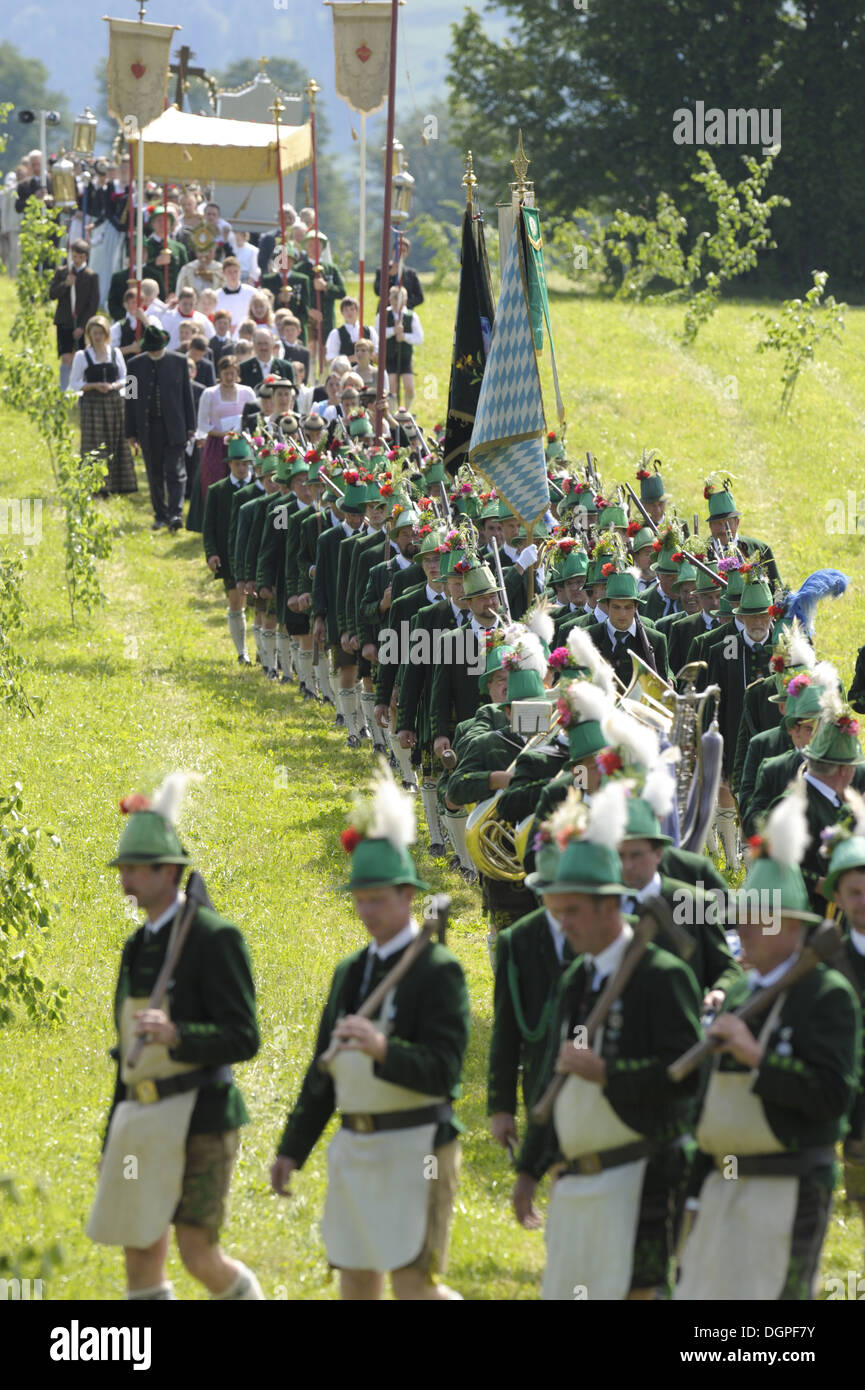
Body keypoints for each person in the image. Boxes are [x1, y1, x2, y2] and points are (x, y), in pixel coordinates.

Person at [271, 763, 469, 1301]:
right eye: (359, 899)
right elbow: (323, 1073)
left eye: (377, 899)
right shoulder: (349, 972)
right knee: (356, 1288)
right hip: (356, 1148)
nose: (366, 911)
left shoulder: (437, 971)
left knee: (414, 1290)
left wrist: (384, 1049)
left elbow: (445, 1072)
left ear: (408, 895)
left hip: (418, 1144)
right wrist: (292, 1149)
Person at [513, 783, 704, 1300]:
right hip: (577, 1187)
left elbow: (688, 1081)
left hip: (642, 1178)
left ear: (606, 907)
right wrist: (530, 1167)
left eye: (572, 910)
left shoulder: (662, 977)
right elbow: (562, 1076)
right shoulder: (578, 980)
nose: (562, 923)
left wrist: (609, 1073)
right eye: (557, 910)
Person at [674, 785, 860, 1300]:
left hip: (790, 1186)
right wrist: (692, 1196)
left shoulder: (827, 996)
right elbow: (706, 1108)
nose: (744, 927)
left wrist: (755, 1056)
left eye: (759, 917)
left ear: (794, 927)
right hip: (719, 1187)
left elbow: (830, 1097)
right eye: (743, 915)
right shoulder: (733, 991)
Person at [86, 773, 263, 1300]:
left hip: (202, 1117)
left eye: (135, 868)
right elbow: (128, 1059)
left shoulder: (216, 938)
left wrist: (178, 1034)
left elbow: (243, 1037)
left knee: (197, 1254)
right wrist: (110, 1137)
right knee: (140, 1252)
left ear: (168, 872)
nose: (124, 879)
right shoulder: (135, 948)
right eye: (122, 868)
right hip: (139, 1122)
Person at [125, 324, 196, 532]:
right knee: (154, 472)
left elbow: (186, 396)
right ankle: (160, 514)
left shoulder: (179, 361)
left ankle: (176, 513)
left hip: (174, 425)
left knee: (175, 471)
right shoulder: (134, 365)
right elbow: (130, 399)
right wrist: (130, 431)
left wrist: (190, 427)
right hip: (149, 427)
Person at [68, 315, 137, 496]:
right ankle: (96, 485)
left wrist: (113, 386)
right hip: (93, 404)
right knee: (95, 444)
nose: (97, 336)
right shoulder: (83, 356)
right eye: (94, 333)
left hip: (115, 402)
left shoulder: (115, 353)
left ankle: (118, 484)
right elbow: (74, 383)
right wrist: (94, 386)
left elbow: (126, 377)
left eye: (100, 333)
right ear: (89, 334)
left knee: (117, 441)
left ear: (106, 334)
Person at [203, 436, 256, 664]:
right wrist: (211, 552)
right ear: (229, 465)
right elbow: (209, 527)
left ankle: (265, 652)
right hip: (229, 554)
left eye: (245, 464)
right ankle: (241, 650)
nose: (242, 468)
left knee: (261, 606)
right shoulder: (217, 491)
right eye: (237, 464)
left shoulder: (259, 489)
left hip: (255, 555)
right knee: (236, 600)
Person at [195, 356, 257, 503]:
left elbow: (254, 418)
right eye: (226, 373)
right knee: (215, 478)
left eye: (232, 373)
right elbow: (203, 424)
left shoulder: (247, 392)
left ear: (238, 374)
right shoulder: (209, 393)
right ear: (220, 374)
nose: (229, 377)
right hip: (217, 444)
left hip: (242, 443)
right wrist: (225, 434)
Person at [49, 239, 100, 392]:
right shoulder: (62, 272)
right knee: (65, 358)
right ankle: (64, 391)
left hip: (80, 323)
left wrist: (83, 326)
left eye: (79, 257)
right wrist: (65, 284)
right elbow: (52, 294)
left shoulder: (91, 276)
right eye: (74, 256)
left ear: (85, 257)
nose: (76, 260)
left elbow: (93, 304)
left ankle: (78, 389)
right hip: (64, 321)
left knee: (78, 358)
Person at [384, 286, 424, 411]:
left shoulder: (412, 316)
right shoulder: (384, 314)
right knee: (392, 384)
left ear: (405, 301)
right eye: (394, 302)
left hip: (405, 356)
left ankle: (406, 411)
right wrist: (393, 331)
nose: (396, 306)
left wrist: (404, 336)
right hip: (389, 356)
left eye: (399, 303)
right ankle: (392, 411)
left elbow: (419, 338)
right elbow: (379, 333)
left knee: (409, 386)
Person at [374, 236, 424, 311]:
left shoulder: (411, 274)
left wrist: (403, 303)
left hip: (404, 314)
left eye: (403, 250)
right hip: (385, 312)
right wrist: (389, 276)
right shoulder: (382, 271)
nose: (400, 253)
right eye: (398, 250)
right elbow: (378, 291)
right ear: (393, 251)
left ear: (407, 253)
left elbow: (419, 297)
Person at [325, 296, 378, 365]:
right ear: (342, 312)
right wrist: (350, 359)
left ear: (357, 311)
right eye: (346, 310)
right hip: (346, 373)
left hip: (367, 372)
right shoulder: (336, 334)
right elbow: (331, 359)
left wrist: (367, 356)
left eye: (352, 309)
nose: (349, 312)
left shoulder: (370, 331)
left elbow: (378, 356)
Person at [161, 287, 215, 351]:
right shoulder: (168, 317)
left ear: (195, 302)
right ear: (179, 301)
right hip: (172, 355)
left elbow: (212, 339)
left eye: (191, 304)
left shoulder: (202, 319)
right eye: (185, 304)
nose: (188, 307)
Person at [215, 256, 256, 331]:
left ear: (240, 272)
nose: (233, 275)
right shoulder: (216, 295)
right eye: (229, 272)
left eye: (235, 271)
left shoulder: (252, 292)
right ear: (223, 273)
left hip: (247, 331)